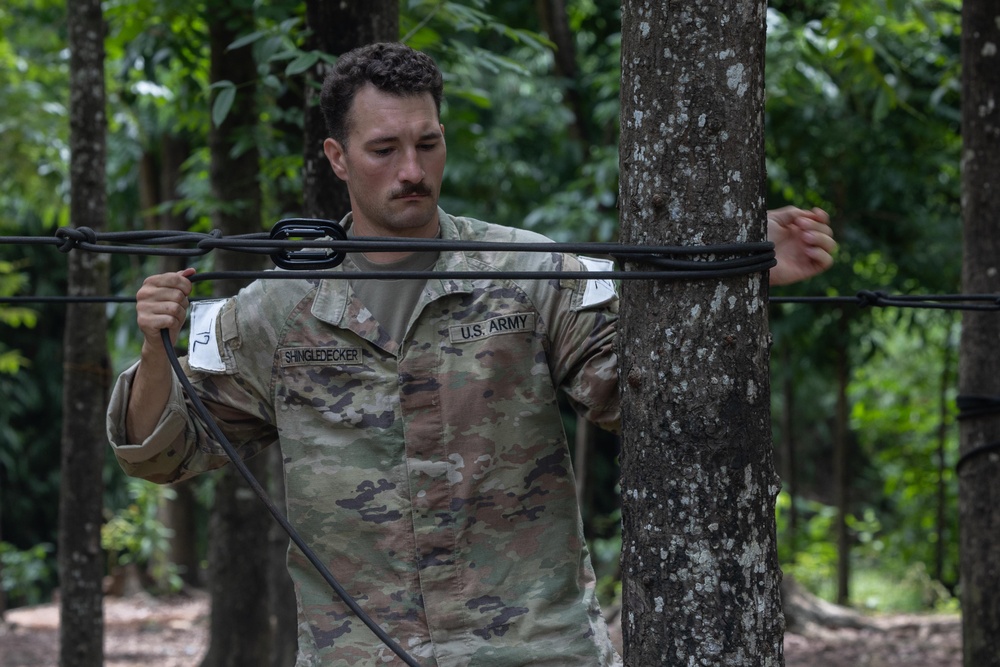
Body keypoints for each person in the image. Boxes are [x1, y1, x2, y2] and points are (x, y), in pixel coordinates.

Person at [107, 42, 835, 667]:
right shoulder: (276, 307)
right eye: (384, 149)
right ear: (337, 157)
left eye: (427, 144)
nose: (412, 170)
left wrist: (728, 277)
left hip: (534, 648)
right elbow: (160, 454)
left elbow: (634, 396)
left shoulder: (531, 269)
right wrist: (155, 347)